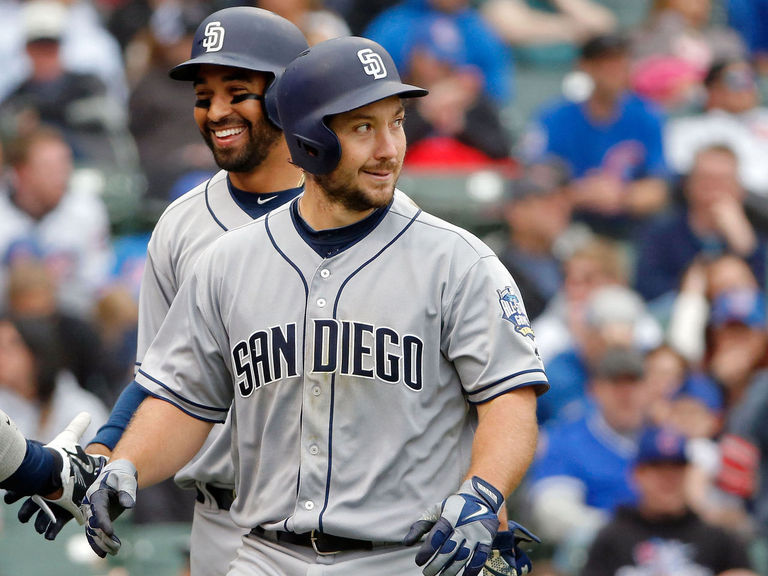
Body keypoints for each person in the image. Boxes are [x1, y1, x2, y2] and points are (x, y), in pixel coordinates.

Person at [82, 36, 547, 576]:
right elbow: (183, 399)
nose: (389, 148)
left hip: (405, 558)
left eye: (396, 122)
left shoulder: (459, 261)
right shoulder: (229, 262)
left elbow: (510, 400)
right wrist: (128, 464)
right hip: (264, 553)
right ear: (307, 141)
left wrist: (484, 491)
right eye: (363, 128)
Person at [1, 6, 310, 576]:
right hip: (224, 517)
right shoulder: (181, 224)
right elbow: (158, 380)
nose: (216, 112)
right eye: (203, 95)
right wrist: (94, 464)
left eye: (237, 91)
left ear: (289, 94)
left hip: (355, 516)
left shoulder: (353, 214)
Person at [522, 32, 669, 239]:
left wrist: (620, 195)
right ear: (586, 66)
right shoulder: (554, 118)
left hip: (630, 225)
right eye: (604, 63)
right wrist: (580, 193)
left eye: (619, 62)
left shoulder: (646, 116)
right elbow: (535, 182)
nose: (613, 71)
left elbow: (658, 188)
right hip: (571, 224)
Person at [526, 346, 651, 574]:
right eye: (616, 384)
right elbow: (551, 513)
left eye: (633, 383)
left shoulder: (665, 438)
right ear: (594, 389)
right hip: (597, 557)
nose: (626, 394)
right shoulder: (567, 439)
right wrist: (623, 531)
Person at [581, 425, 758, 576]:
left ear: (689, 474)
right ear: (637, 474)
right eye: (658, 469)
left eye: (676, 469)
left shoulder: (719, 539)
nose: (668, 479)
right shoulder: (612, 538)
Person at [0, 125, 114, 319]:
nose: (61, 176)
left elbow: (97, 281)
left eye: (64, 166)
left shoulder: (86, 209)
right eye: (49, 168)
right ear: (21, 172)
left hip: (71, 321)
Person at [634, 144, 766, 306]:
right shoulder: (662, 232)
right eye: (706, 180)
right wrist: (694, 288)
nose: (713, 191)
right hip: (677, 310)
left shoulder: (758, 230)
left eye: (723, 181)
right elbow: (646, 288)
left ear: (740, 189)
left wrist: (747, 247)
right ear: (688, 185)